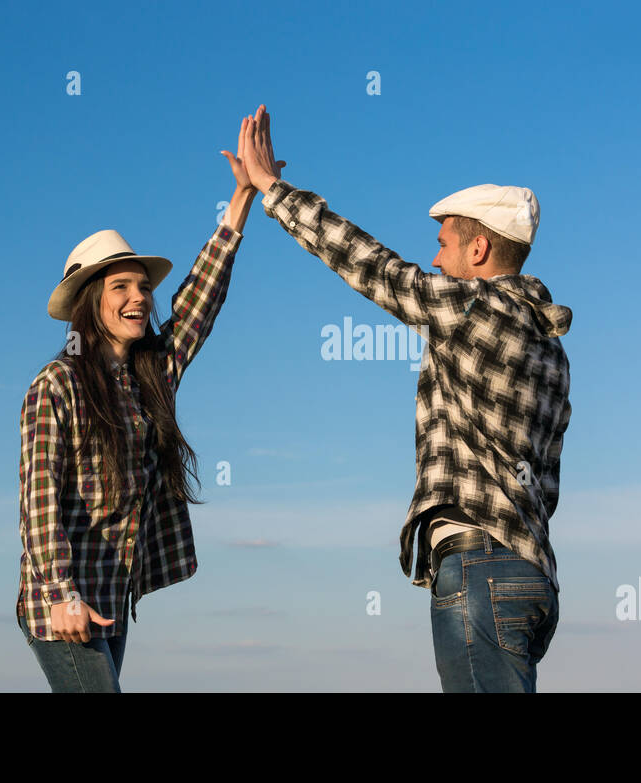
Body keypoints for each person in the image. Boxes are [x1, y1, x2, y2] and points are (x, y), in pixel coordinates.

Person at [240, 105, 572, 693]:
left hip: (480, 567)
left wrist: (273, 190)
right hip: (528, 572)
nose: (436, 261)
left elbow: (377, 268)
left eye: (444, 245)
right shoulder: (548, 344)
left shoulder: (475, 309)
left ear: (478, 252)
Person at [14, 115, 281, 692]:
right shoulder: (55, 386)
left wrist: (241, 200)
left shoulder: (149, 376)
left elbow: (199, 303)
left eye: (142, 287)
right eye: (121, 288)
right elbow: (39, 504)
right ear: (91, 303)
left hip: (113, 595)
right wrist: (62, 594)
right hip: (62, 604)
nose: (139, 297)